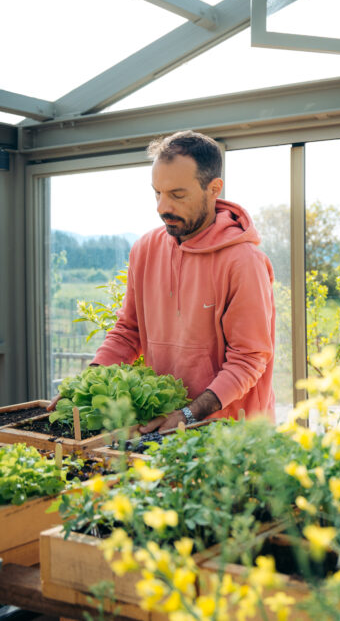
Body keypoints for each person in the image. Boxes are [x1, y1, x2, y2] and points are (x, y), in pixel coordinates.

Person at [48, 130, 276, 430]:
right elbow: (128, 332)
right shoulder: (145, 249)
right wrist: (85, 385)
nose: (162, 207)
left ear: (213, 188)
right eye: (157, 192)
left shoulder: (243, 261)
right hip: (162, 426)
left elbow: (249, 359)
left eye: (177, 195)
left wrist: (187, 415)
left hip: (231, 433)